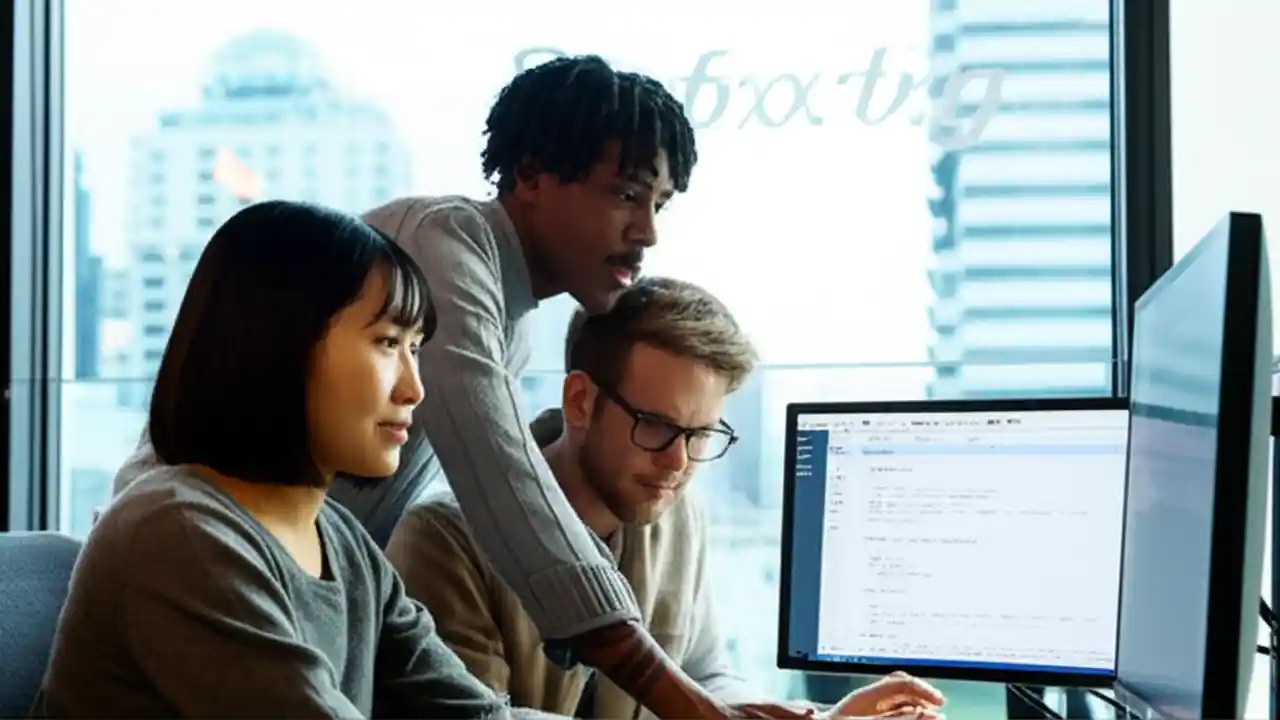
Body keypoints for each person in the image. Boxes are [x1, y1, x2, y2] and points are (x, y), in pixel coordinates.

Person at [325, 55, 760, 718]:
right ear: (530, 173)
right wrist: (683, 703)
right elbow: (500, 475)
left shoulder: (515, 322)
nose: (647, 232)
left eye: (659, 204)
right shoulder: (446, 244)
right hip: (230, 555)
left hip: (313, 587)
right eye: (625, 194)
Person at [35, 201, 559, 718]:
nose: (414, 389)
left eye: (414, 348)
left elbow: (480, 715)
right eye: (386, 342)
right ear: (280, 343)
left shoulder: (343, 541)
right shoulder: (179, 532)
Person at [384, 277, 948, 720]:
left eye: (702, 434)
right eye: (655, 426)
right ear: (580, 401)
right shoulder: (446, 537)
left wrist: (812, 717)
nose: (679, 463)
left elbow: (702, 679)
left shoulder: (672, 508)